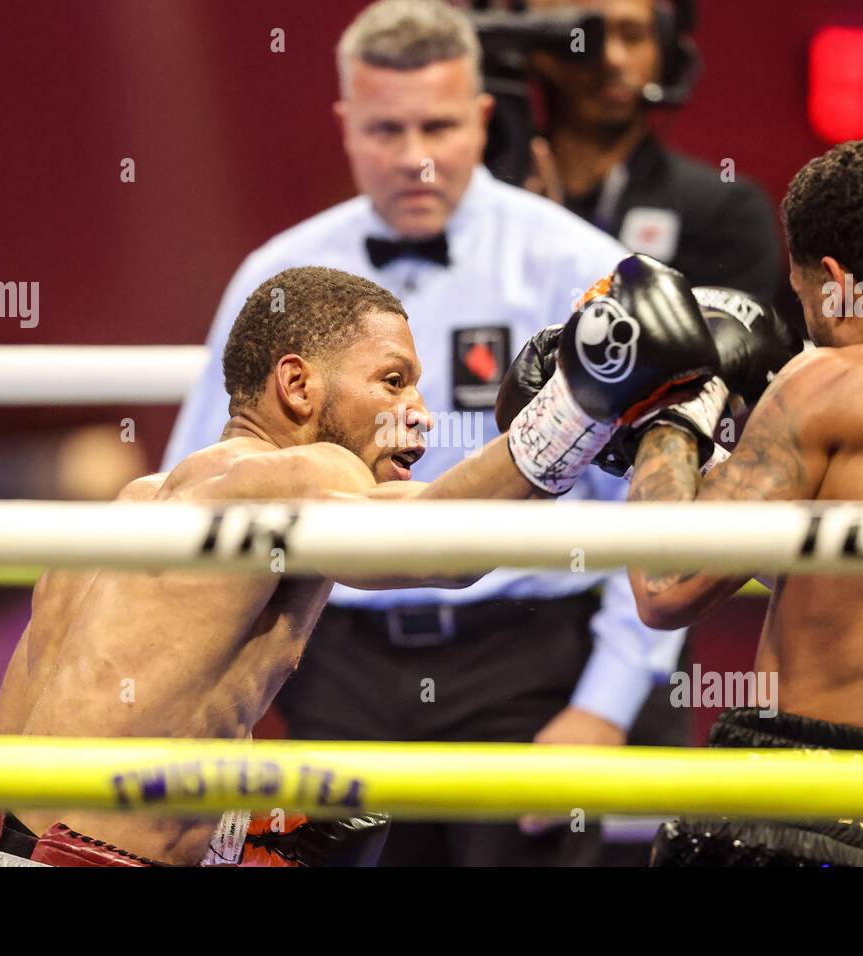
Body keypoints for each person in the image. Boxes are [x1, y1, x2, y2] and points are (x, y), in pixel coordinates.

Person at [0, 263, 712, 867]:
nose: (419, 411)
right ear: (297, 386)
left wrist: (228, 839)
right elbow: (442, 546)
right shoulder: (293, 475)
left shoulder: (140, 504)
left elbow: (106, 743)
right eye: (392, 380)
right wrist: (585, 399)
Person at [165, 0, 686, 866]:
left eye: (439, 126)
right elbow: (198, 492)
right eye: (386, 129)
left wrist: (603, 703)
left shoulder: (574, 265)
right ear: (345, 127)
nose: (414, 157)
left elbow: (662, 508)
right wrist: (216, 706)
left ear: (484, 118)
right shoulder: (277, 280)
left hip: (528, 660)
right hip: (335, 659)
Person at [505, 134, 863, 866]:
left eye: (808, 303)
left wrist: (674, 413)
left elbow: (664, 586)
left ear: (835, 280)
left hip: (792, 811)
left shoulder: (829, 386)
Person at [522, 0, 781, 301]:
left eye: (632, 36)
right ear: (540, 51)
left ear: (667, 52)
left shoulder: (725, 211)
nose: (612, 58)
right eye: (585, 36)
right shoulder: (481, 195)